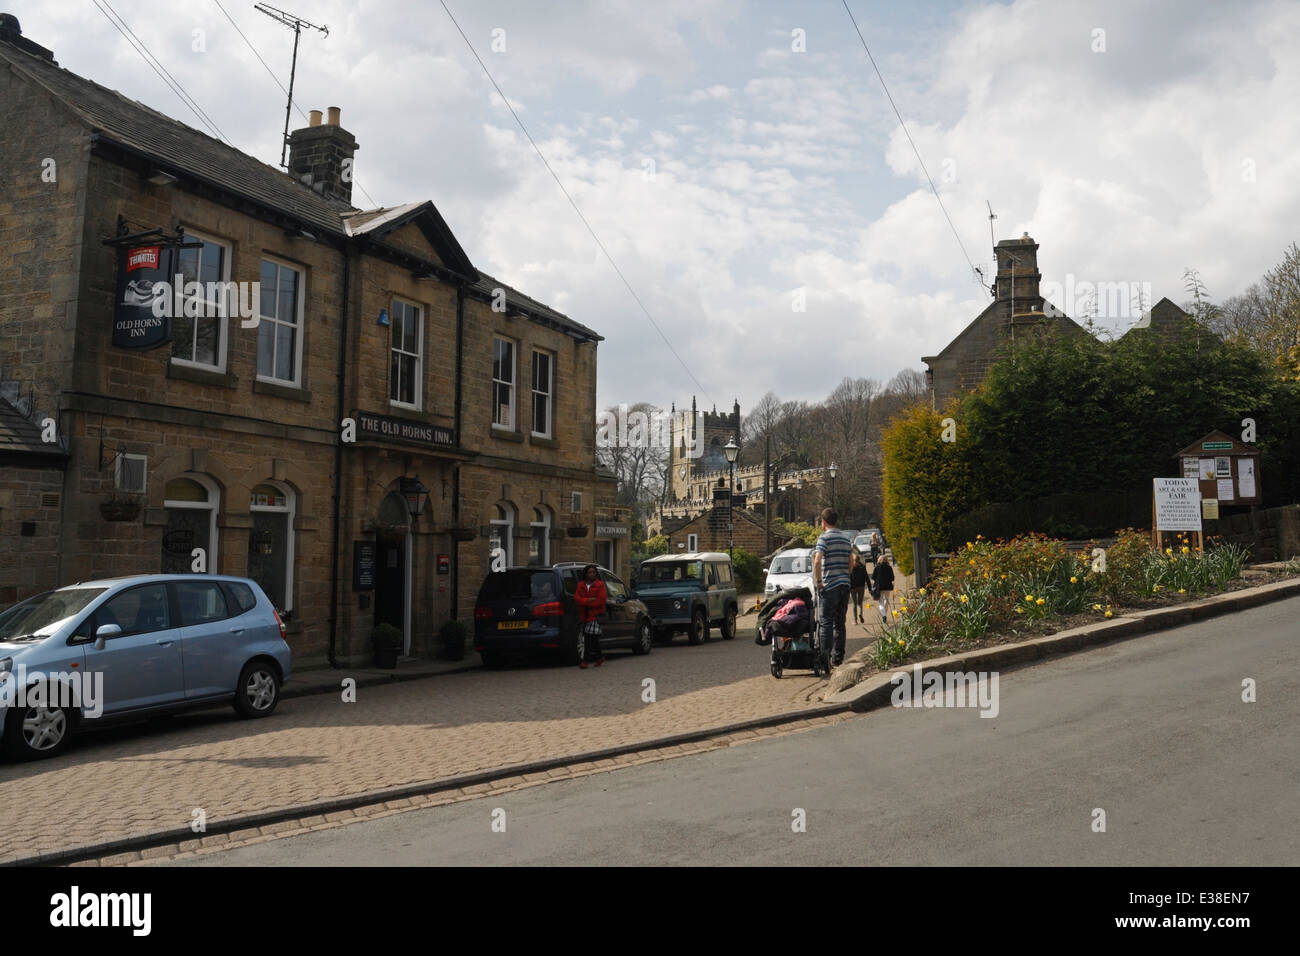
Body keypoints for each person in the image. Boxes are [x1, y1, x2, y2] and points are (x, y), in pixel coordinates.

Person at [812, 507, 856, 669]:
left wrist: (819, 582)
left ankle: (825, 658)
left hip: (829, 585)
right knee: (840, 623)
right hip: (844, 585)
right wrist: (845, 575)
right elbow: (852, 561)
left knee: (826, 623)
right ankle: (838, 659)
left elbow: (817, 561)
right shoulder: (846, 538)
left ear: (823, 522)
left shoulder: (823, 539)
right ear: (836, 521)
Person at [573, 564, 607, 668]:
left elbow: (600, 600)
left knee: (588, 638)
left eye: (593, 572)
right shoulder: (581, 585)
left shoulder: (600, 585)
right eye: (589, 572)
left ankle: (585, 661)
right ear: (585, 574)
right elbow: (577, 599)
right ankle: (600, 657)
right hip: (584, 615)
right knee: (593, 639)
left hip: (595, 615)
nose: (591, 574)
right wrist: (587, 600)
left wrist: (587, 603)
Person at [872, 554, 896, 624]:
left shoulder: (877, 567)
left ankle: (884, 615)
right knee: (886, 600)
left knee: (881, 602)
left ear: (879, 560)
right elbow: (892, 578)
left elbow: (873, 577)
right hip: (888, 586)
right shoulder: (889, 567)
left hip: (879, 587)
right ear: (887, 560)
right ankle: (884, 614)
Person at [850, 558, 869, 624]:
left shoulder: (850, 567)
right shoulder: (863, 567)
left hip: (852, 588)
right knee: (860, 602)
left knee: (854, 603)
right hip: (861, 586)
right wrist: (869, 588)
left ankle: (855, 620)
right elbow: (867, 577)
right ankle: (860, 614)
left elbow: (848, 578)